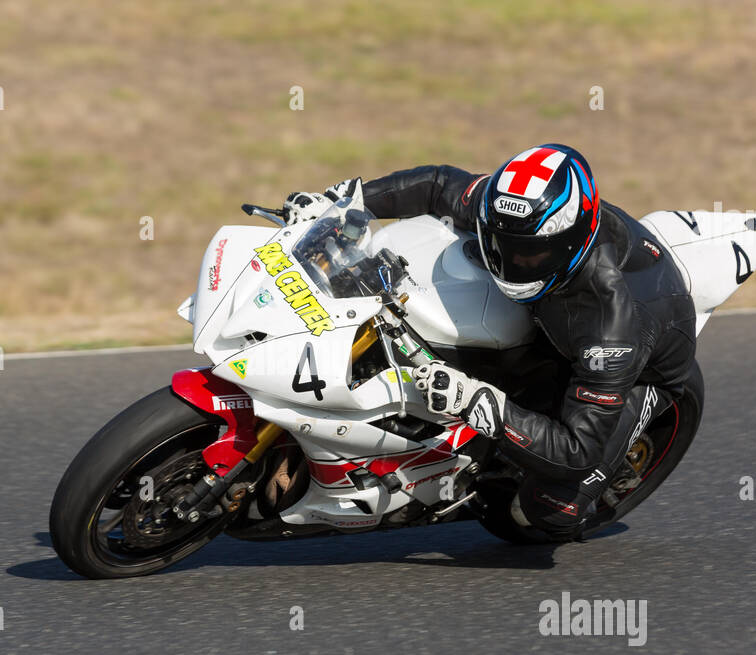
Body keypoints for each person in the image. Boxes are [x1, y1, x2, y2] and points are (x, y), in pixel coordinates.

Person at [282, 145, 699, 540]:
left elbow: (577, 450)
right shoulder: (507, 213)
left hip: (643, 373)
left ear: (569, 246)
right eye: (500, 242)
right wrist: (346, 205)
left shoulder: (612, 327)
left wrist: (480, 402)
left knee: (550, 507)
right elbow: (437, 184)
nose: (510, 260)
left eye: (528, 254)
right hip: (552, 321)